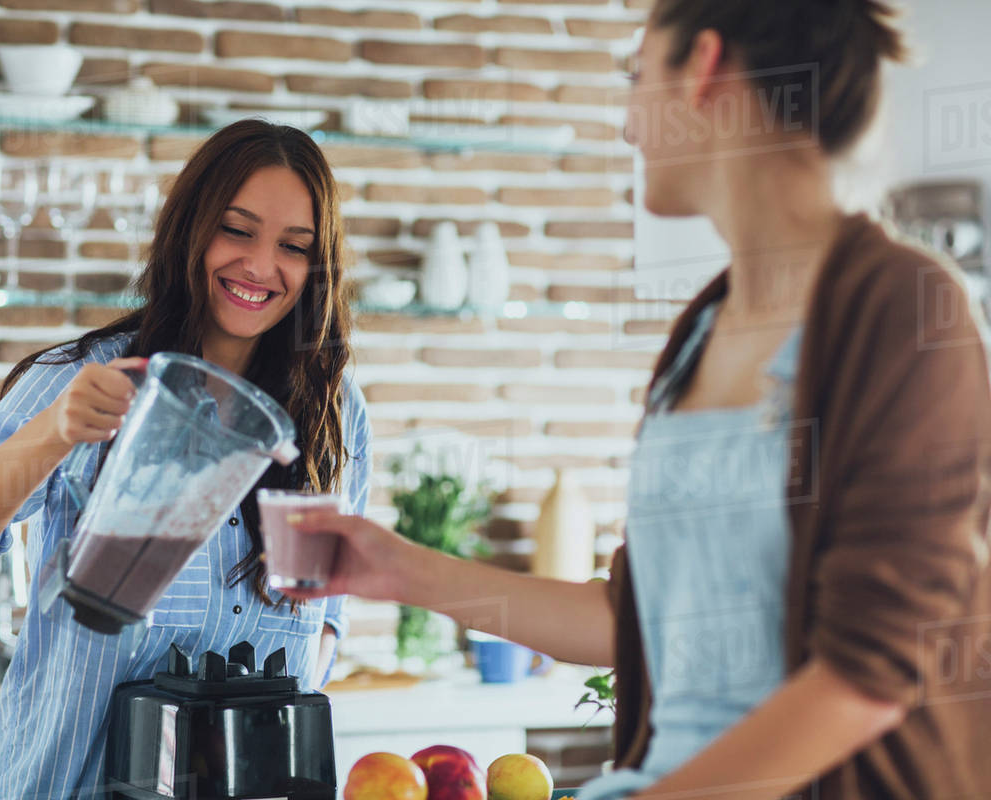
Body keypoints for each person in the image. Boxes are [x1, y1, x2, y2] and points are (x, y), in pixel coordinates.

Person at [287, 2, 991, 798]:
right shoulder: (702, 330)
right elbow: (632, 619)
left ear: (704, 68)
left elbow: (871, 675)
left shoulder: (899, 307)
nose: (627, 126)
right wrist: (399, 570)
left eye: (635, 77)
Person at [0, 120, 371, 799]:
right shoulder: (86, 379)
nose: (261, 267)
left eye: (294, 246)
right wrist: (53, 432)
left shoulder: (333, 413)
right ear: (192, 228)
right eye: (237, 230)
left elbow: (322, 619)